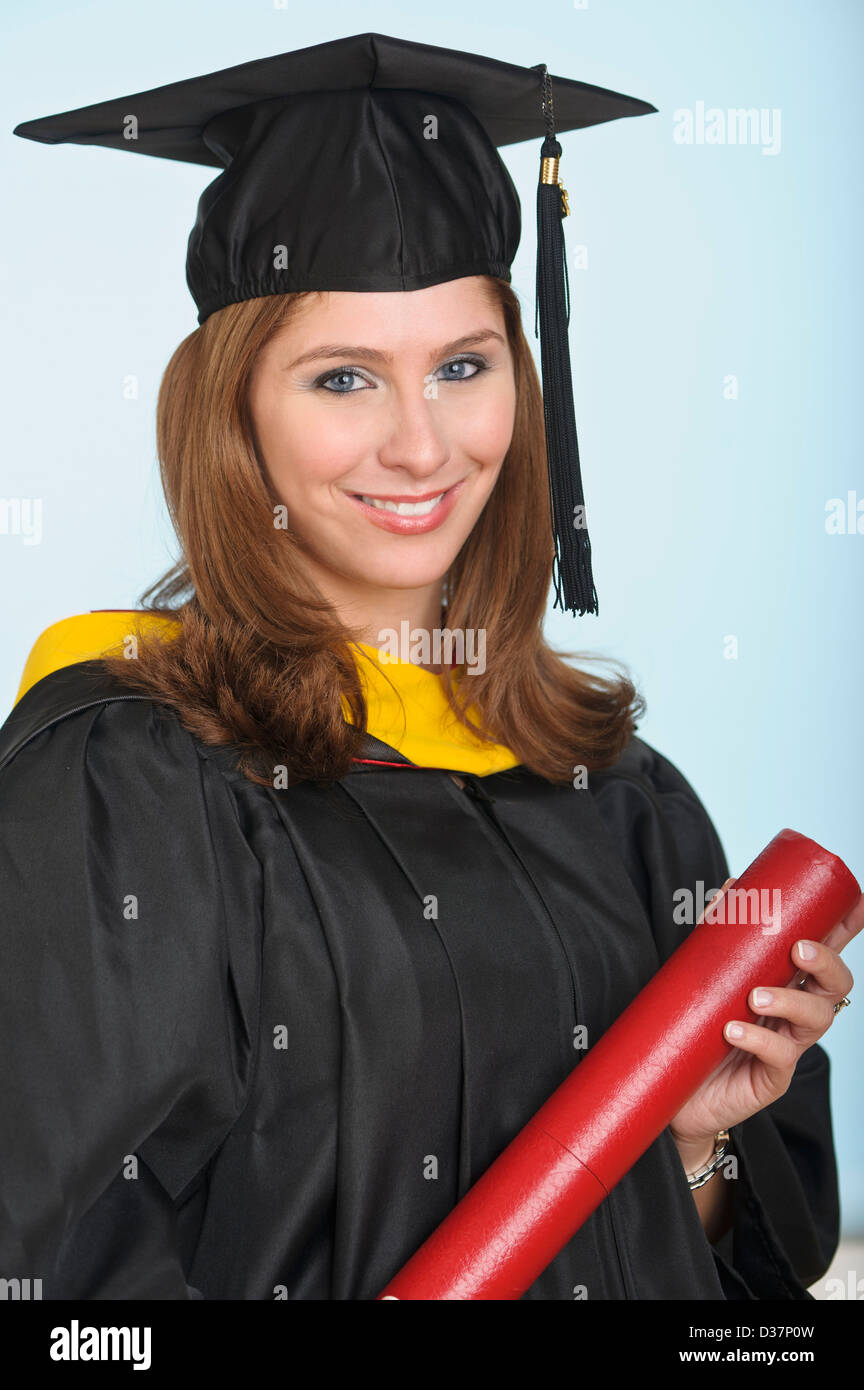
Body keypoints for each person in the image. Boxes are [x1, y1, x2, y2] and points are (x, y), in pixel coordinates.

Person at [1, 31, 856, 1301]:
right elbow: (60, 1285)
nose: (421, 443)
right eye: (343, 377)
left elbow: (729, 1297)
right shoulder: (126, 786)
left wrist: (688, 1144)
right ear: (232, 413)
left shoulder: (621, 796)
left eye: (463, 365)